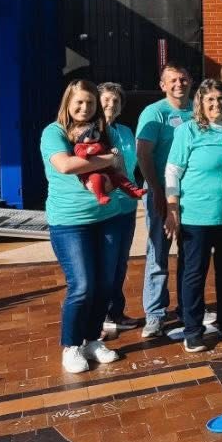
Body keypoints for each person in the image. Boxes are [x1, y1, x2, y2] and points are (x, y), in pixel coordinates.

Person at [42, 80, 128, 373]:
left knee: (105, 283)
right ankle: (71, 345)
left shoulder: (107, 132)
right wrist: (108, 159)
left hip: (109, 217)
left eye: (90, 103)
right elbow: (65, 165)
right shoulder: (53, 133)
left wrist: (116, 173)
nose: (84, 108)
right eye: (79, 102)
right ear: (67, 102)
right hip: (69, 222)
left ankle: (92, 339)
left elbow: (122, 170)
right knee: (82, 285)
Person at [164, 80, 222, 353]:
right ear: (200, 103)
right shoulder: (189, 131)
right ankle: (192, 329)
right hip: (196, 218)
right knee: (194, 275)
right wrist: (172, 208)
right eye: (209, 100)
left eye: (220, 99)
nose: (216, 104)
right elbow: (172, 171)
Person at [136, 63, 193, 339]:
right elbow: (143, 155)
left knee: (190, 253)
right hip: (161, 192)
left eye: (183, 78)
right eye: (172, 80)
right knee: (158, 251)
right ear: (162, 85)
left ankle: (186, 309)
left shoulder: (198, 109)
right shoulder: (154, 113)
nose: (178, 84)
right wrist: (157, 191)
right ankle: (155, 314)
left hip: (191, 196)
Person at [99, 82, 141, 335]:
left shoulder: (125, 131)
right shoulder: (89, 132)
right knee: (105, 262)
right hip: (104, 207)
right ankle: (100, 314)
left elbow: (132, 164)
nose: (110, 105)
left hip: (126, 205)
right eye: (106, 100)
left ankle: (116, 311)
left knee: (120, 262)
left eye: (115, 101)